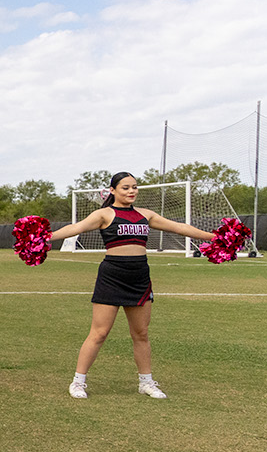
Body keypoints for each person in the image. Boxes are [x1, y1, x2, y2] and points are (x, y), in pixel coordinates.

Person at [47, 171, 215, 400]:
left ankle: (146, 382)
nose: (131, 191)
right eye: (125, 187)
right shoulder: (104, 214)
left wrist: (213, 237)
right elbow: (75, 228)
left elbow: (179, 228)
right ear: (113, 191)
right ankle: (78, 382)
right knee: (99, 333)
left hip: (139, 277)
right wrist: (46, 237)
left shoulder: (146, 215)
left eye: (134, 187)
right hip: (112, 275)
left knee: (141, 333)